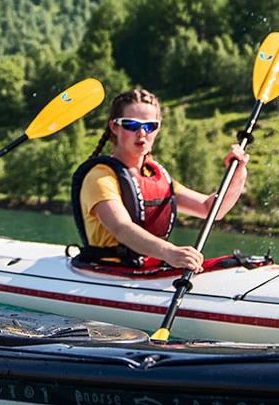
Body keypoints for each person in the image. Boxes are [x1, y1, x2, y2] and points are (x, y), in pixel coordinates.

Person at [69, 87, 247, 272]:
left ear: (157, 128)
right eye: (131, 125)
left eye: (149, 126)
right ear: (114, 127)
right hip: (106, 271)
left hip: (147, 268)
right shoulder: (100, 177)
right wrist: (170, 252)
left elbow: (210, 209)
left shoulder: (152, 176)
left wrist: (238, 173)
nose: (141, 133)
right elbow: (121, 228)